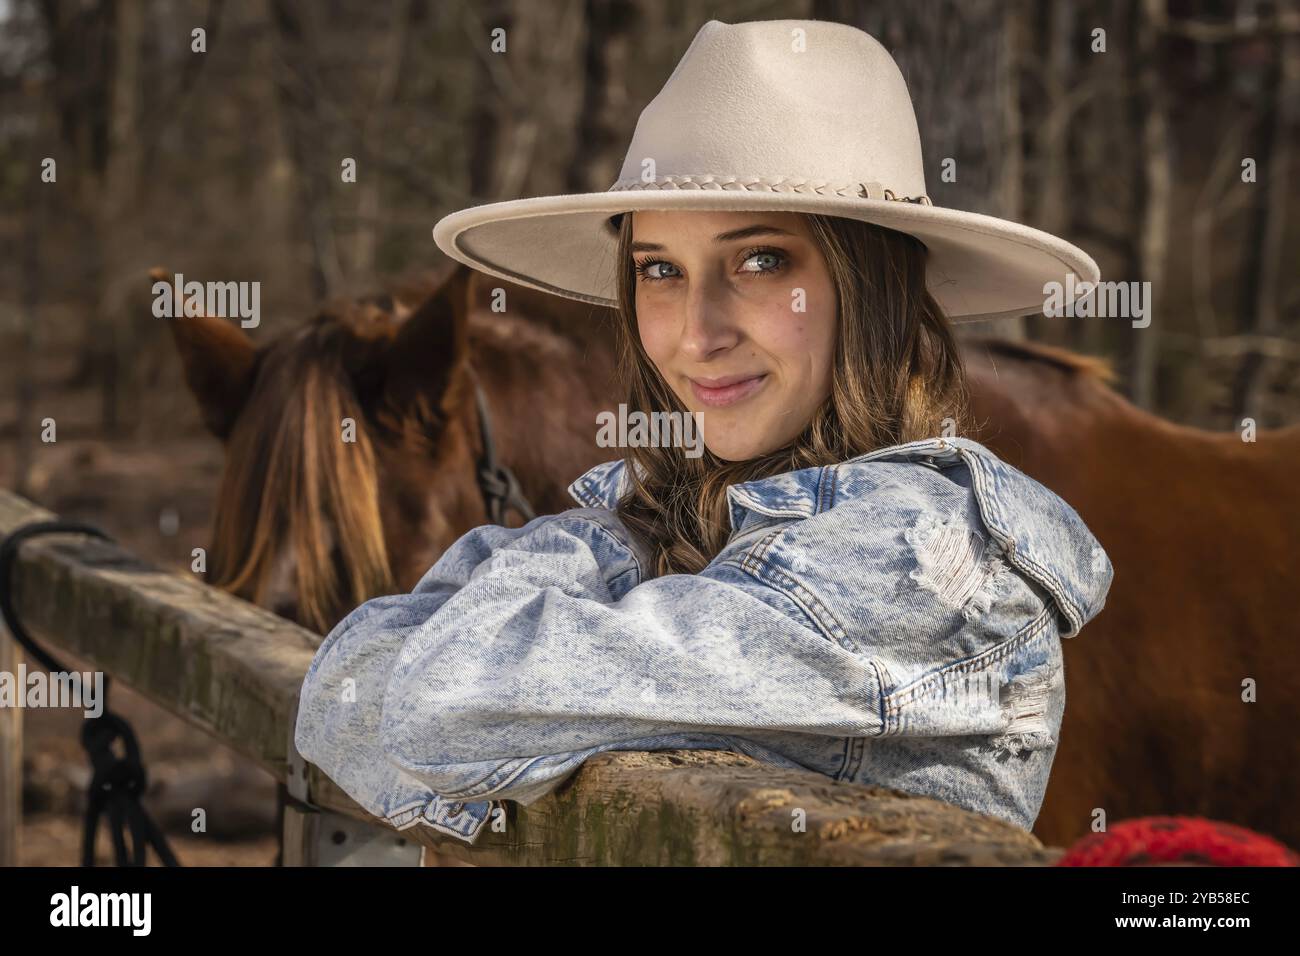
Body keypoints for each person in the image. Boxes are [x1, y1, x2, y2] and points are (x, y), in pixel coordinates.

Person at [294, 18, 1113, 846]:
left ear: (872, 287)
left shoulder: (917, 559)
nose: (697, 333)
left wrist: (597, 547)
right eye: (660, 270)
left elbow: (441, 704)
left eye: (761, 261)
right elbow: (342, 684)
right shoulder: (705, 521)